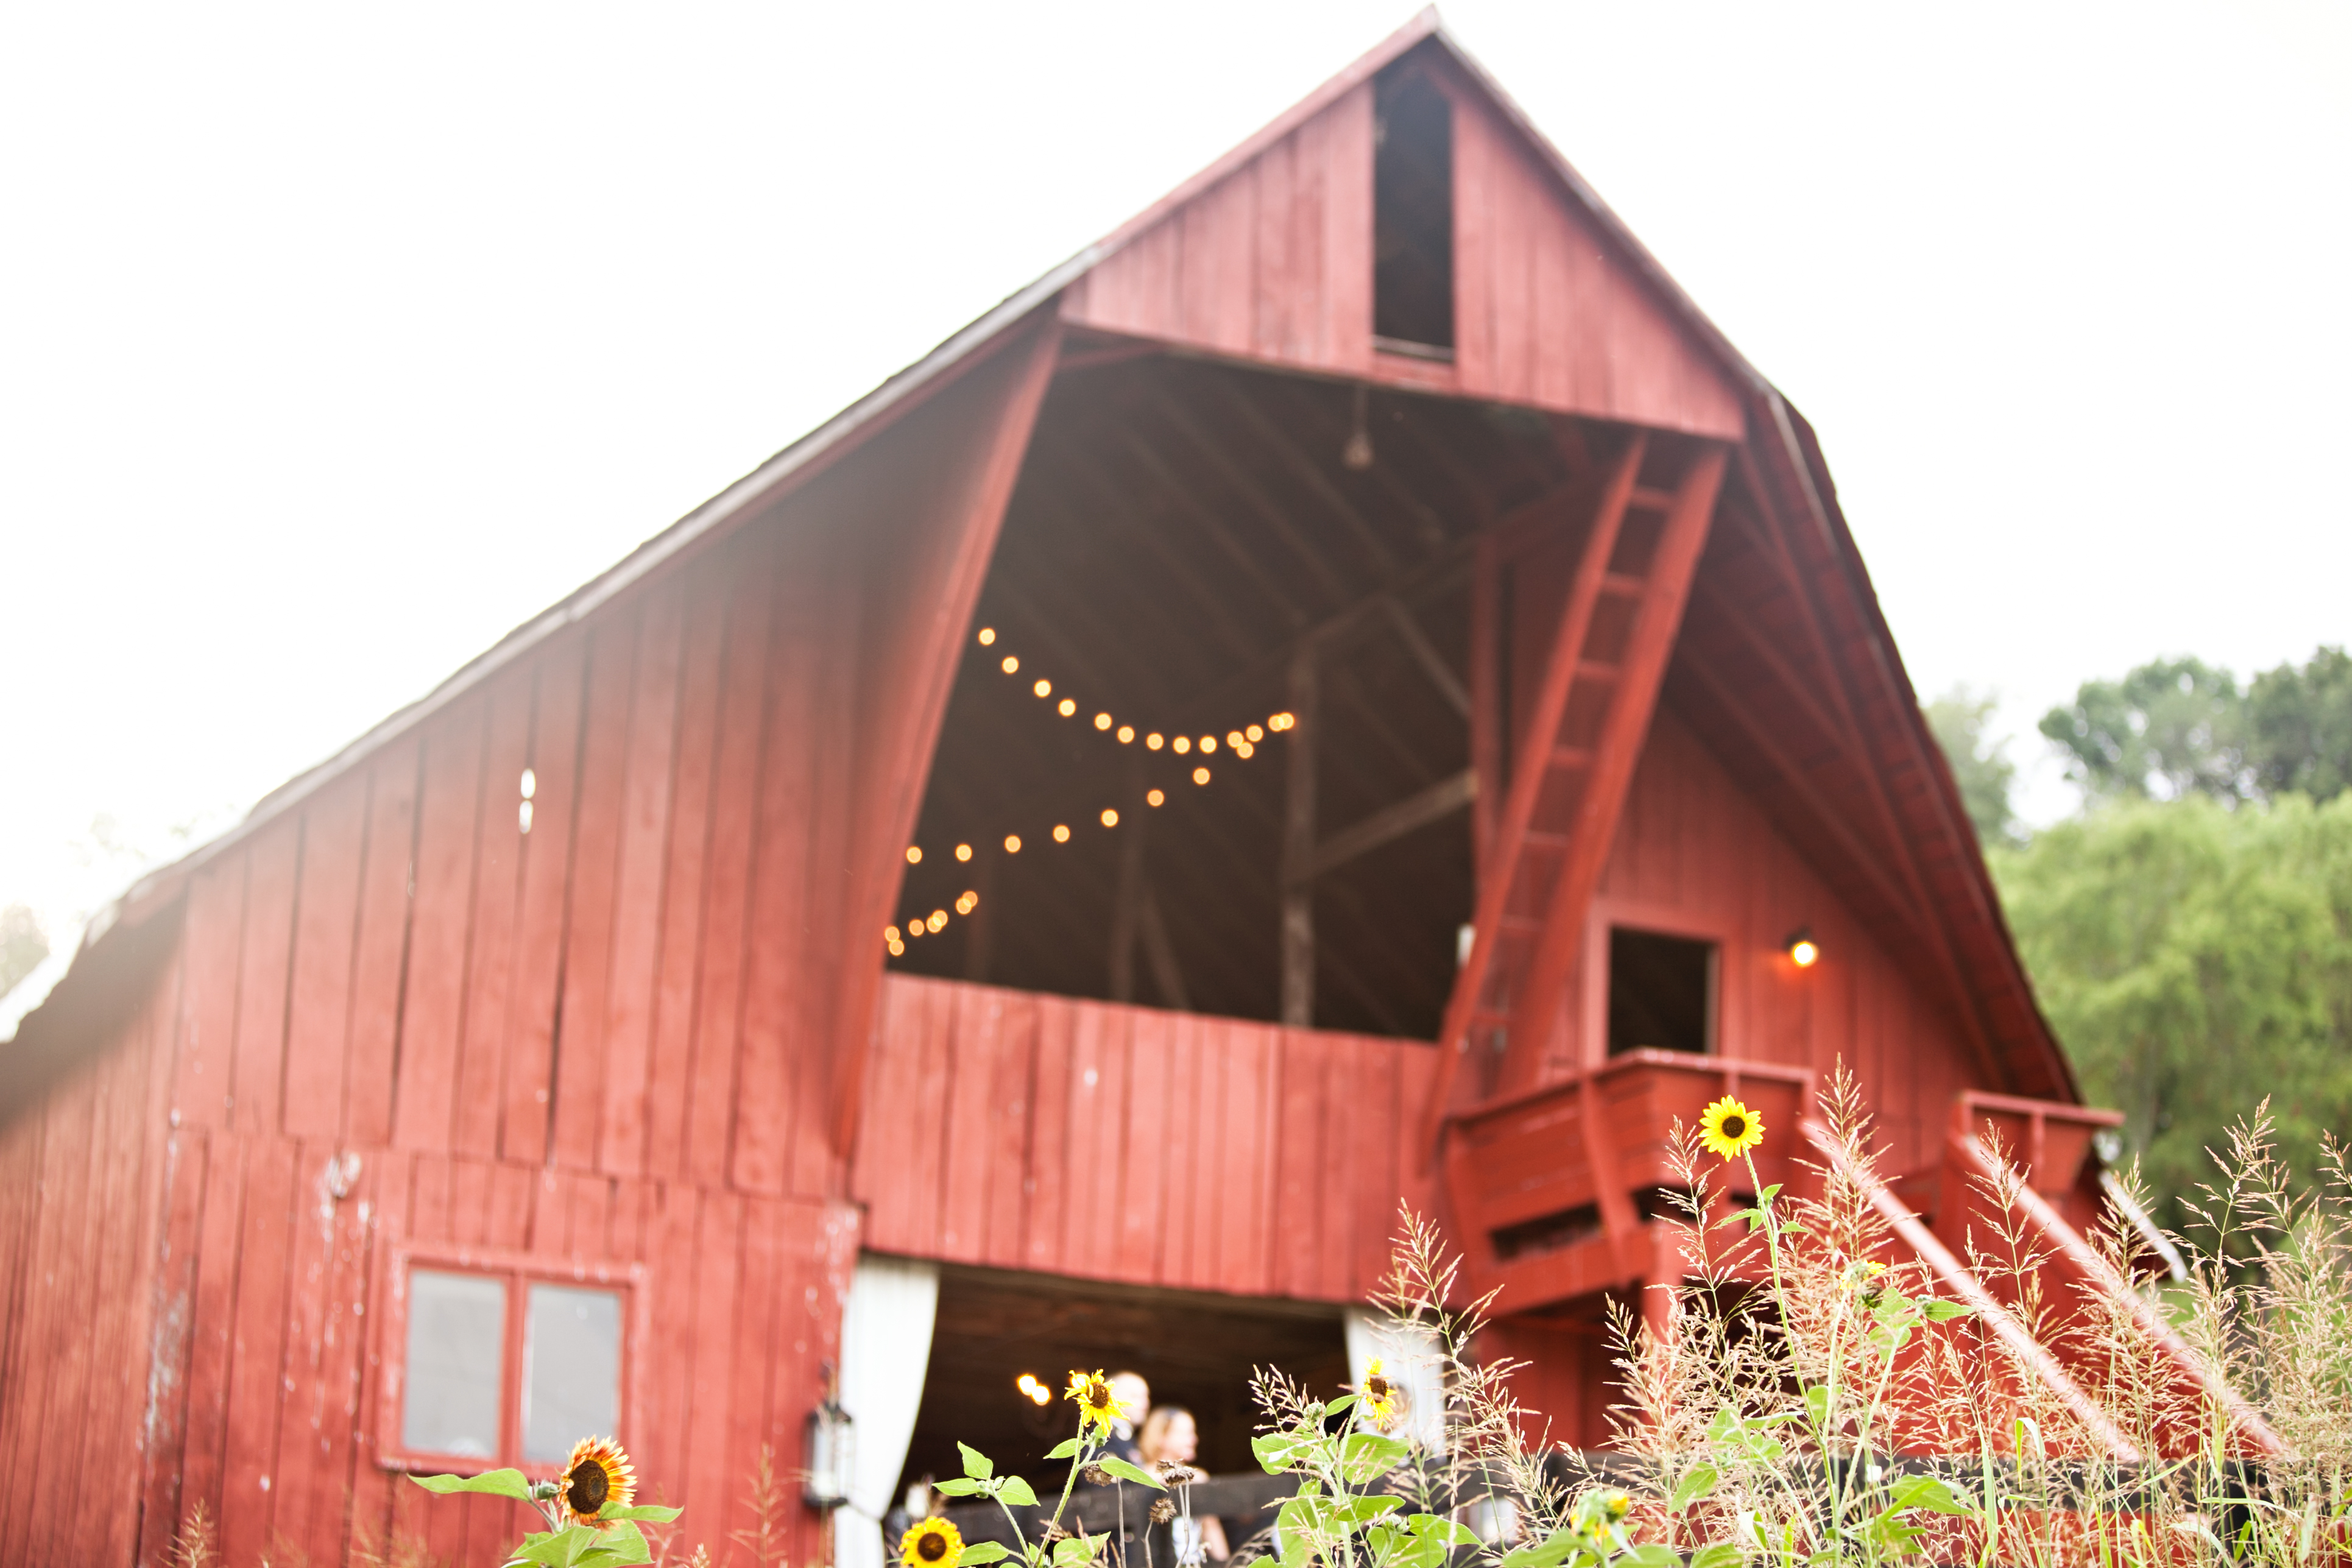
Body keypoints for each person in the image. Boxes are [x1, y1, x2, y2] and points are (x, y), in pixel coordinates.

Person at [1137, 1405, 1229, 1564]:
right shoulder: (1141, 1475)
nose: (1193, 1440)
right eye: (1184, 1434)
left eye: (1193, 1433)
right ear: (1161, 1437)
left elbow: (1211, 1528)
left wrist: (1227, 1564)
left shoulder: (1199, 1477)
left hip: (1193, 1562)